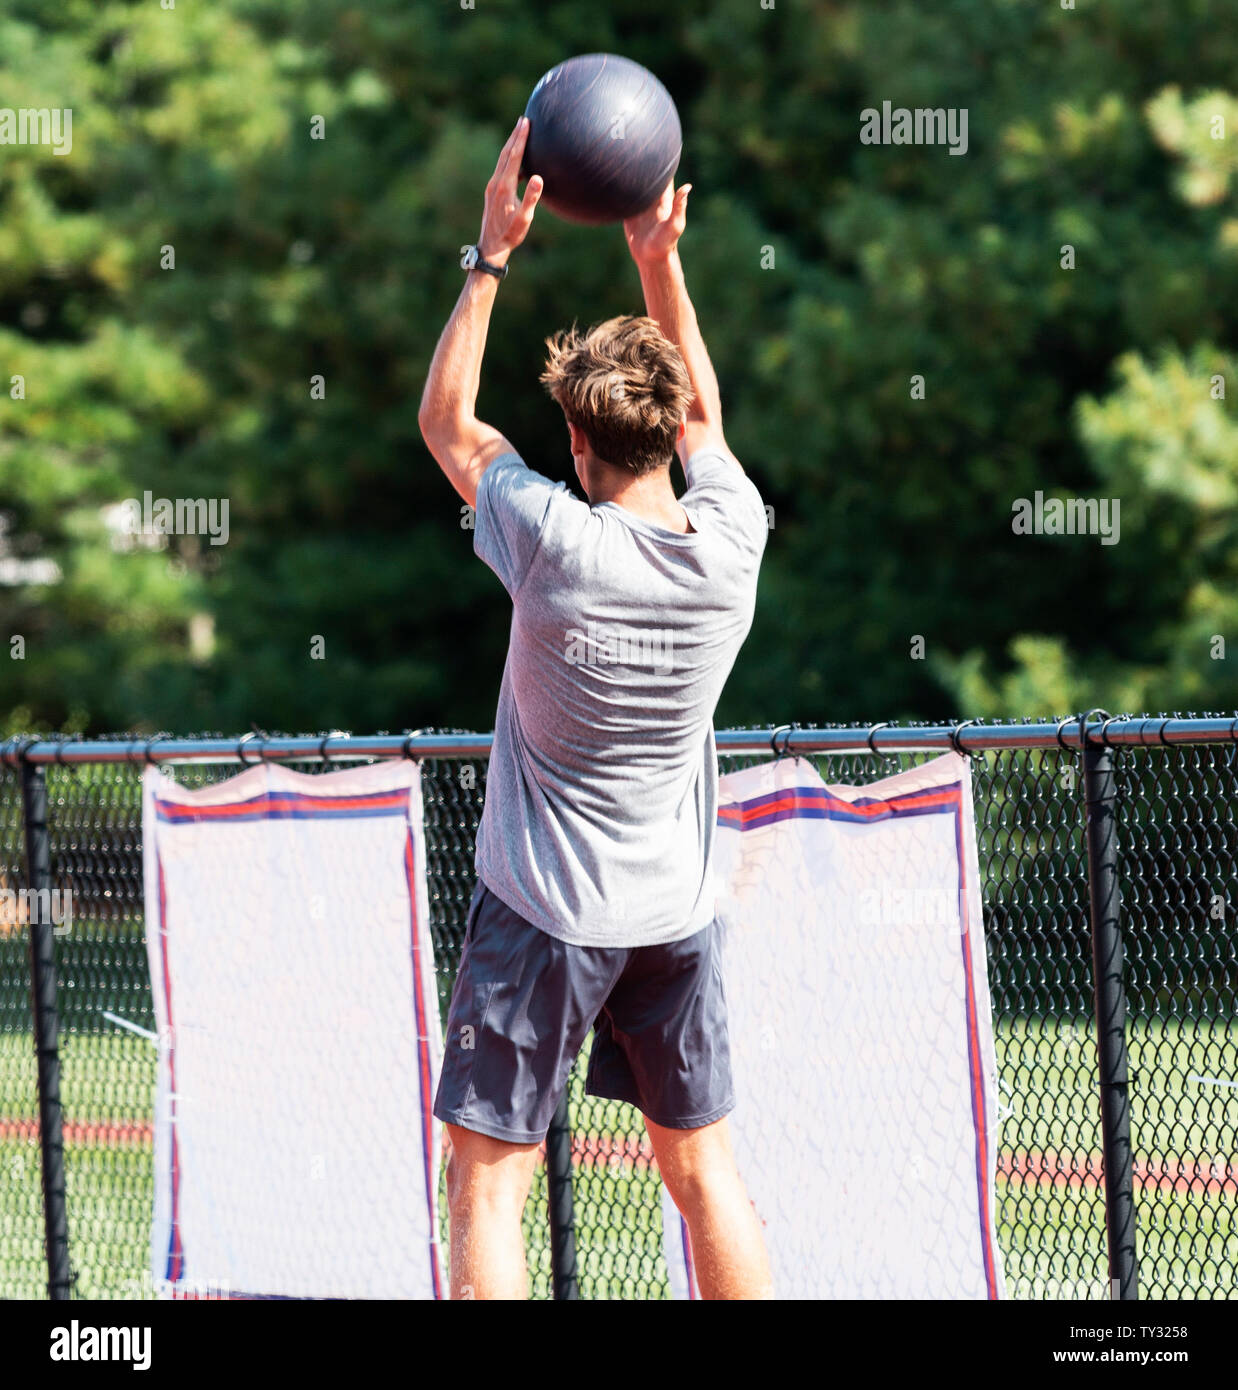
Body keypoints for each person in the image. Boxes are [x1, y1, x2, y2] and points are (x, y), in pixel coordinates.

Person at [418, 116, 771, 1300]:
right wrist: (655, 254)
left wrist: (490, 254)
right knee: (700, 1167)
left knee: (487, 1183)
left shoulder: (553, 540)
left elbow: (448, 425)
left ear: (573, 443)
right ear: (670, 431)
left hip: (544, 914)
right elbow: (710, 424)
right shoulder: (732, 547)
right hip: (674, 910)